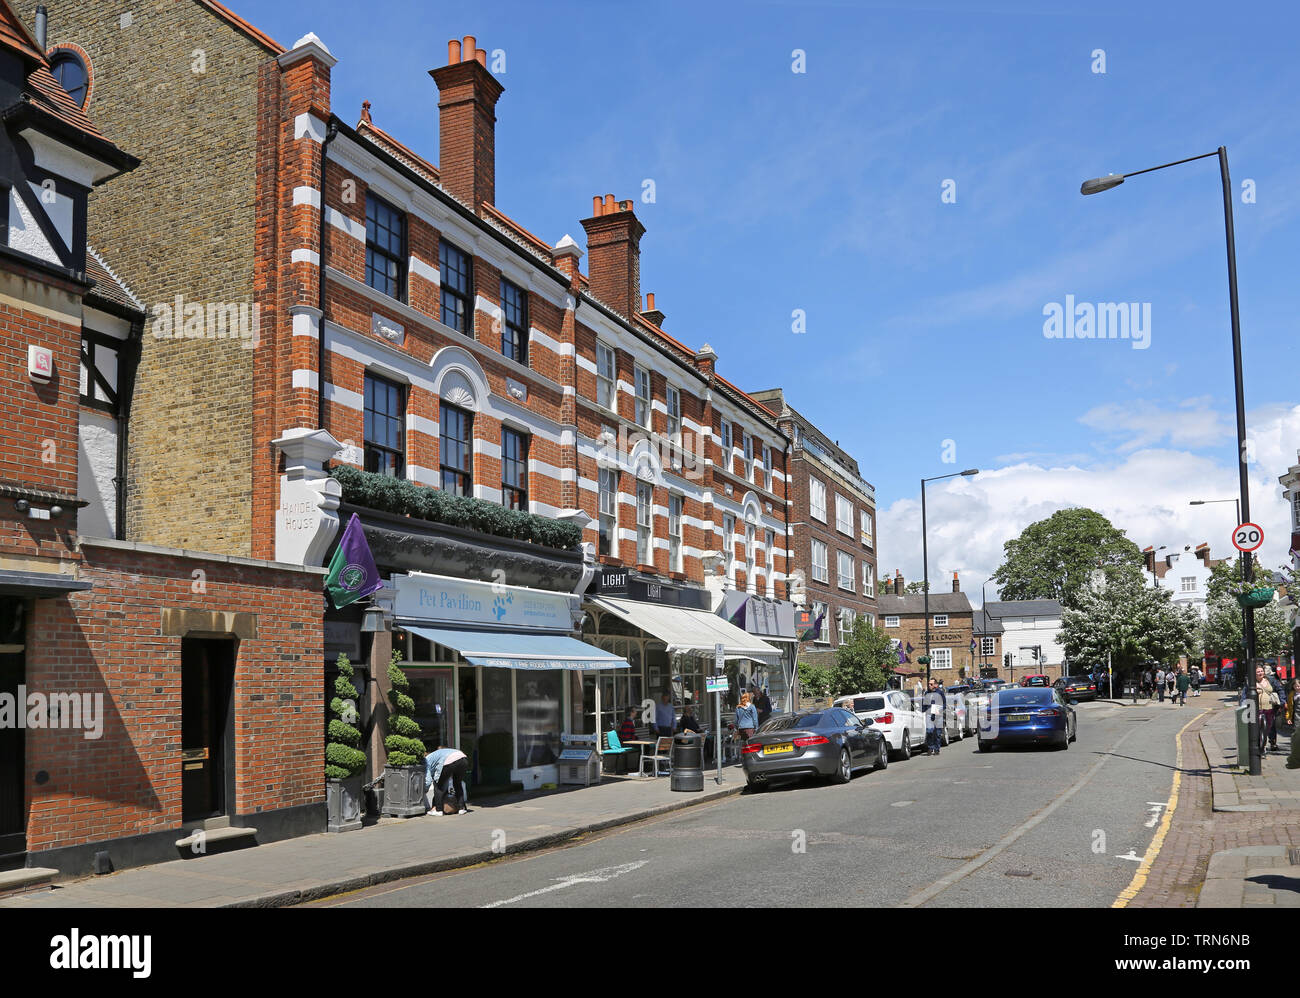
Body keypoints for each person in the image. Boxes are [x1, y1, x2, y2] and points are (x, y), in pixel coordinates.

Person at [424, 743, 470, 815]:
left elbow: (428, 780)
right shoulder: (436, 755)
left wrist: (424, 790)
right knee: (457, 783)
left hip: (449, 760)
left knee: (438, 785)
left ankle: (438, 810)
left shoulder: (426, 760)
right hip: (463, 758)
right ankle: (461, 808)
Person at [1255, 666, 1280, 754]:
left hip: (1269, 708)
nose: (1260, 673)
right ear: (1254, 673)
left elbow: (1279, 689)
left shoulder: (1270, 680)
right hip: (1257, 709)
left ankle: (1266, 744)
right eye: (1258, 672)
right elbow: (1245, 694)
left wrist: (1283, 701)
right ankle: (1261, 746)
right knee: (1258, 728)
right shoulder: (1251, 682)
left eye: (1262, 671)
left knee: (1268, 728)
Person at [923, 677, 947, 756]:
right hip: (929, 714)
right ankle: (930, 747)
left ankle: (937, 749)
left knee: (937, 733)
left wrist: (939, 710)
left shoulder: (940, 693)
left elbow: (944, 704)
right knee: (929, 732)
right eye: (929, 684)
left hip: (938, 714)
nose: (929, 685)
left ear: (936, 685)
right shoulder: (926, 693)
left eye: (931, 684)